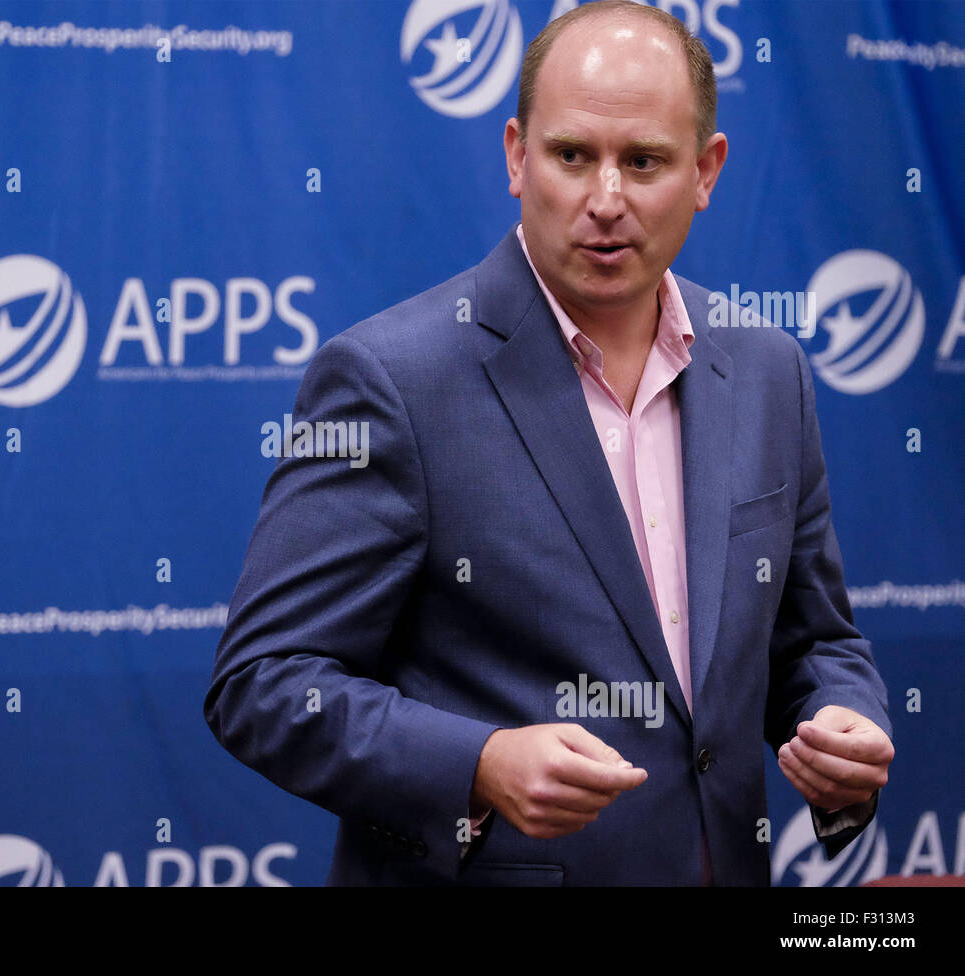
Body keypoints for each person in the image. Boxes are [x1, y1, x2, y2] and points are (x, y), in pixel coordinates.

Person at [204, 0, 893, 885]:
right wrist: (479, 763)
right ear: (516, 156)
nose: (606, 200)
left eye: (644, 161)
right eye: (574, 156)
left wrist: (844, 717)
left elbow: (812, 642)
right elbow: (262, 683)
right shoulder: (389, 377)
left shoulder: (769, 371)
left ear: (706, 170)